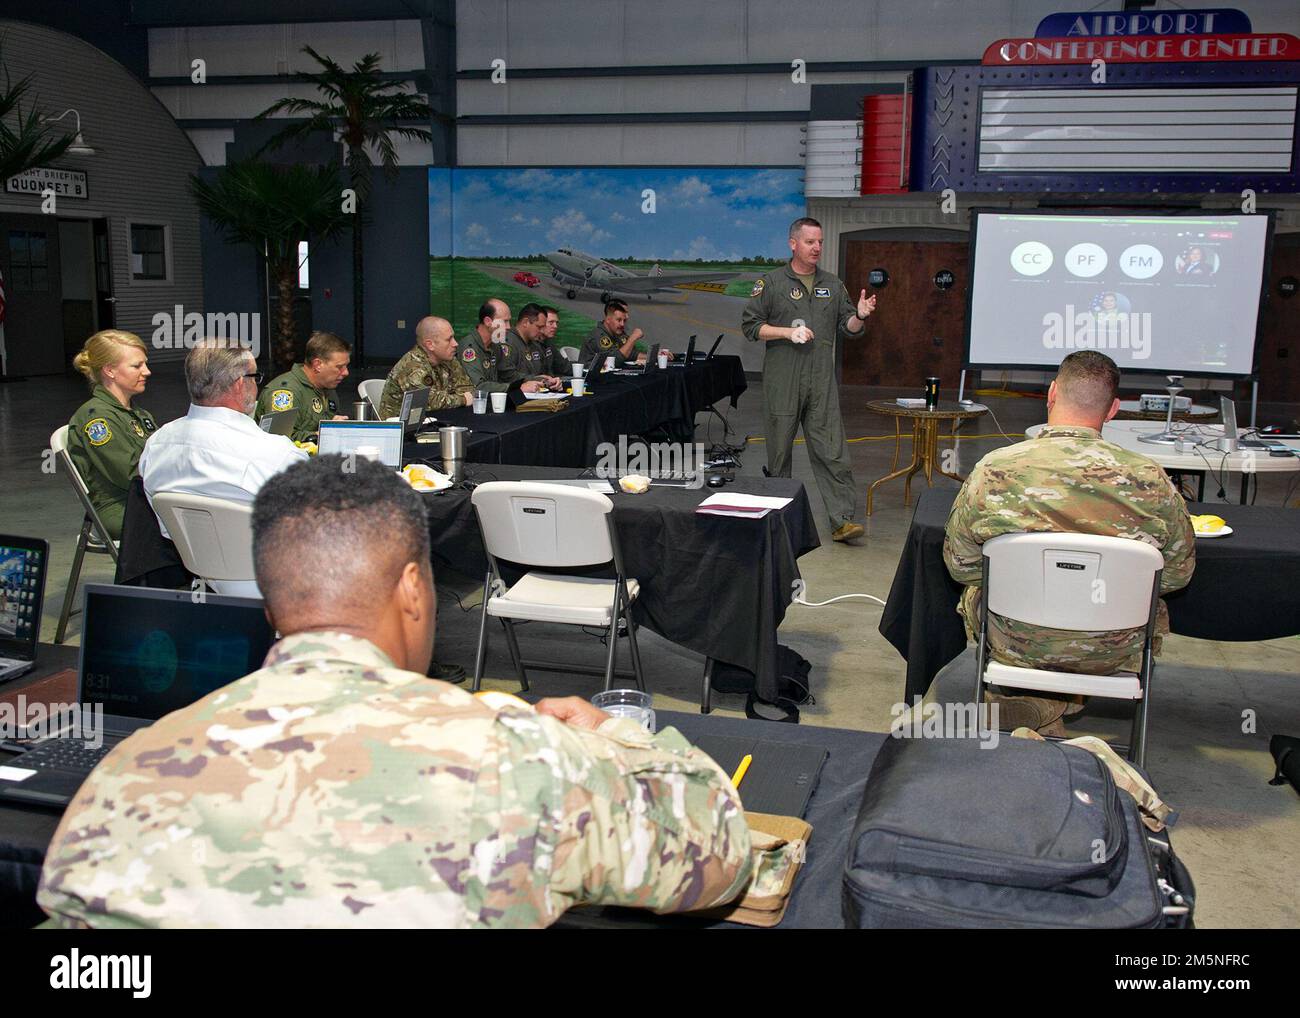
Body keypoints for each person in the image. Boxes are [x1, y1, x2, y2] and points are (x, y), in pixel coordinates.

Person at [37, 455, 753, 928]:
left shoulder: (128, 774)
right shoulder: (518, 759)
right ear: (413, 589)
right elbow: (720, 855)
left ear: (272, 605)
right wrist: (610, 734)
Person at [943, 350, 1196, 734]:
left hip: (1017, 640)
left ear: (1051, 394)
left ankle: (1039, 705)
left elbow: (960, 564)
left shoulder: (995, 469)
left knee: (977, 591)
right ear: (1113, 410)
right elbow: (1176, 574)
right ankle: (1053, 706)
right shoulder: (1150, 479)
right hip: (1110, 648)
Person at [741, 217, 875, 543]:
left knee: (832, 450)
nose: (817, 248)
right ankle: (779, 519)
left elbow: (849, 327)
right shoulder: (772, 283)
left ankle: (842, 521)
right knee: (779, 454)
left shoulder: (833, 284)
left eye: (820, 242)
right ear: (793, 244)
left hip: (821, 382)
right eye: (810, 242)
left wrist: (859, 316)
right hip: (783, 380)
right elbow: (751, 326)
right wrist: (787, 333)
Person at [139, 337, 306, 594]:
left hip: (207, 581)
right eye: (255, 377)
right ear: (240, 384)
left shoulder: (156, 445)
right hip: (284, 587)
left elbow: (168, 530)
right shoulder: (277, 454)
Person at [66, 330, 157, 540]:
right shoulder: (97, 419)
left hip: (143, 500)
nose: (147, 371)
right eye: (137, 366)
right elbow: (131, 475)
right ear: (110, 371)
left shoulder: (138, 414)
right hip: (121, 508)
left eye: (145, 364)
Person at [255, 331, 351, 441]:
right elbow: (277, 439)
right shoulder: (285, 392)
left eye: (346, 366)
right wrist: (323, 434)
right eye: (340, 367)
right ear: (318, 365)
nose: (346, 372)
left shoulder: (328, 389)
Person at [378, 316, 475, 418]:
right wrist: (463, 399)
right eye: (448, 340)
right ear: (430, 345)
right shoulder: (412, 367)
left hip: (437, 419)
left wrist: (461, 397)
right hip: (402, 425)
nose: (455, 343)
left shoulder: (448, 359)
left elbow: (468, 389)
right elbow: (430, 403)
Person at [459, 298, 545, 395]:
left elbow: (508, 375)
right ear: (488, 321)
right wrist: (516, 388)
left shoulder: (496, 344)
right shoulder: (469, 348)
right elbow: (478, 386)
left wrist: (538, 379)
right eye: (505, 321)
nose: (508, 327)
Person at [580, 299, 670, 365]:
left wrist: (655, 356)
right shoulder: (599, 336)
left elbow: (631, 354)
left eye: (624, 320)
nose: (622, 324)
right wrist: (632, 338)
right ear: (608, 319)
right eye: (619, 320)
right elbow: (615, 360)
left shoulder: (617, 332)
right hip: (589, 380)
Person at [504, 303, 562, 389]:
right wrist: (535, 379)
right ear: (525, 322)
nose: (541, 331)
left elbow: (541, 375)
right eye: (539, 327)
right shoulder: (507, 343)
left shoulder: (536, 345)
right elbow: (506, 375)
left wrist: (550, 381)